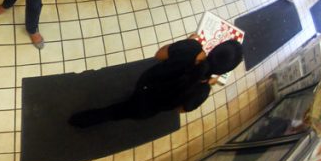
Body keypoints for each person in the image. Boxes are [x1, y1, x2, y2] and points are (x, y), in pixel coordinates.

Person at [69, 37, 244, 127]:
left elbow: (159, 55)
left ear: (215, 48)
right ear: (223, 72)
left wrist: (187, 42)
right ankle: (80, 121)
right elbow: (181, 109)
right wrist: (207, 82)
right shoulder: (202, 91)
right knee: (115, 113)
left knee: (125, 98)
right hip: (148, 107)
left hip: (146, 82)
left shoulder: (191, 48)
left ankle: (80, 118)